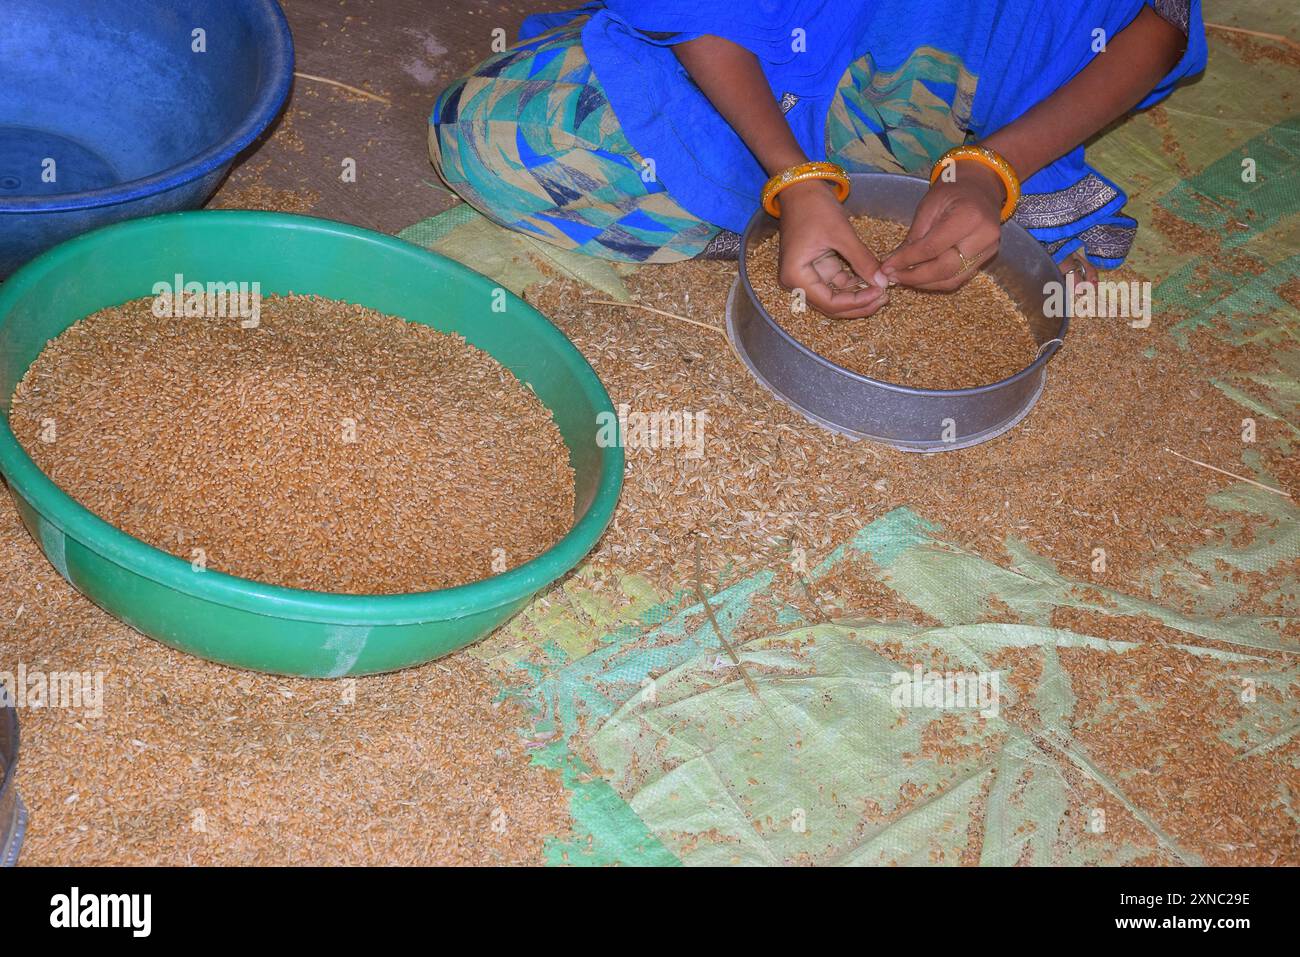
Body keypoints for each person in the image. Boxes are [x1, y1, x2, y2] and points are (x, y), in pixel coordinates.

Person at [430, 1, 1205, 318]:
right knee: (485, 136)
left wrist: (993, 169)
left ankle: (915, 188)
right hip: (781, 62)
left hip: (977, 103)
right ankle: (798, 212)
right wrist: (792, 175)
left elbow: (1161, 20)